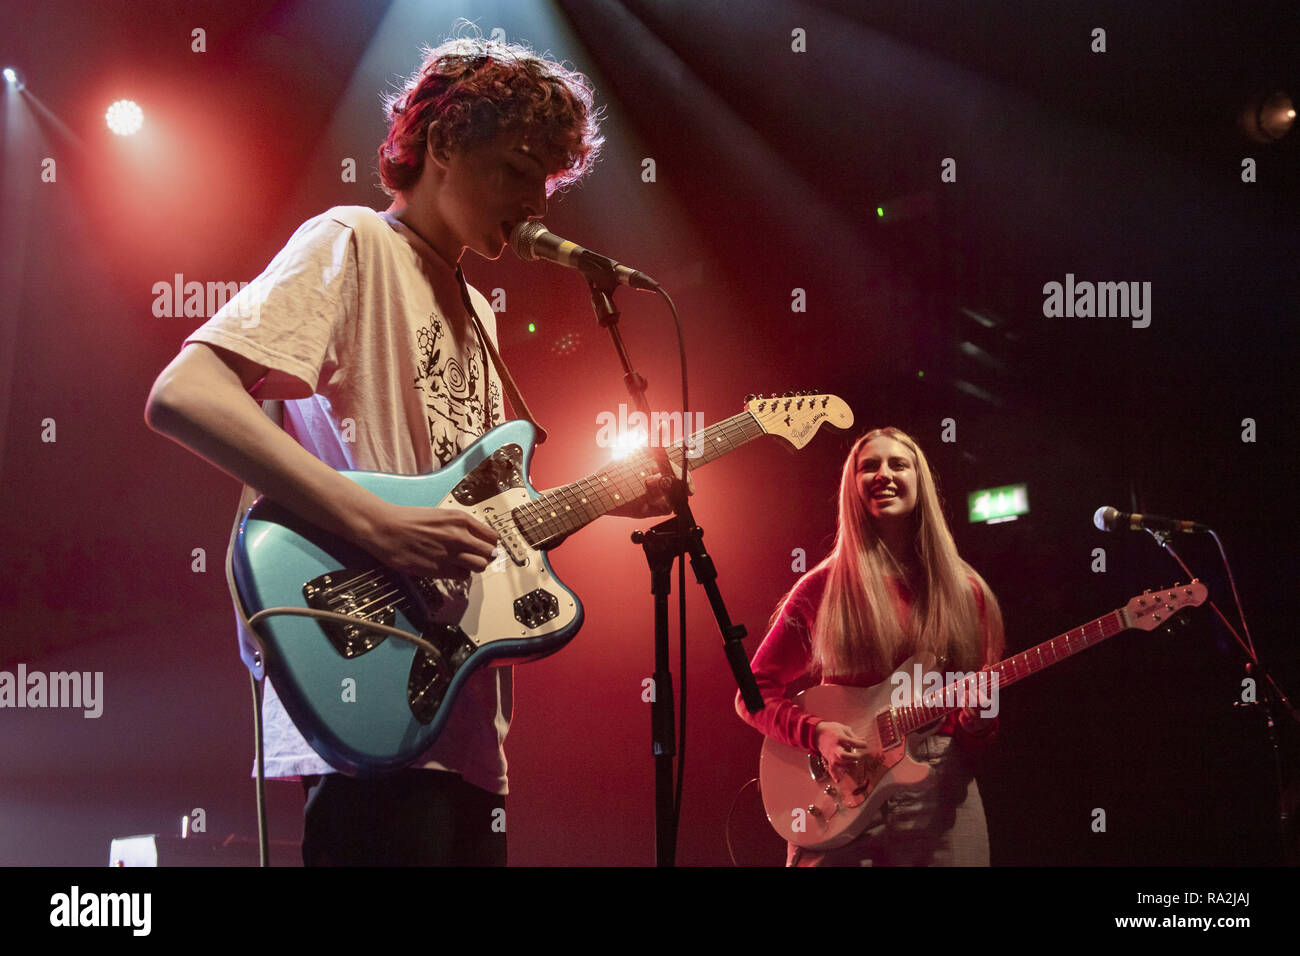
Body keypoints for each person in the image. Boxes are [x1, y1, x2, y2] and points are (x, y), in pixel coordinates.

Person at [145, 35, 656, 865]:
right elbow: (186, 392)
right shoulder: (353, 242)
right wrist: (380, 526)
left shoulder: (480, 316)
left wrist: (605, 497)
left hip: (460, 715)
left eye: (548, 183)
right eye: (518, 170)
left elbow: (478, 516)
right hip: (364, 676)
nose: (534, 203)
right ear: (446, 144)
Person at [736, 427, 1005, 866]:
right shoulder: (822, 587)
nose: (884, 474)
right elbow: (751, 692)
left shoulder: (966, 591)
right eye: (869, 466)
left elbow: (978, 724)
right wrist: (817, 734)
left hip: (938, 787)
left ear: (921, 482)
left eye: (898, 464)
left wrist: (977, 720)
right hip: (841, 787)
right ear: (852, 486)